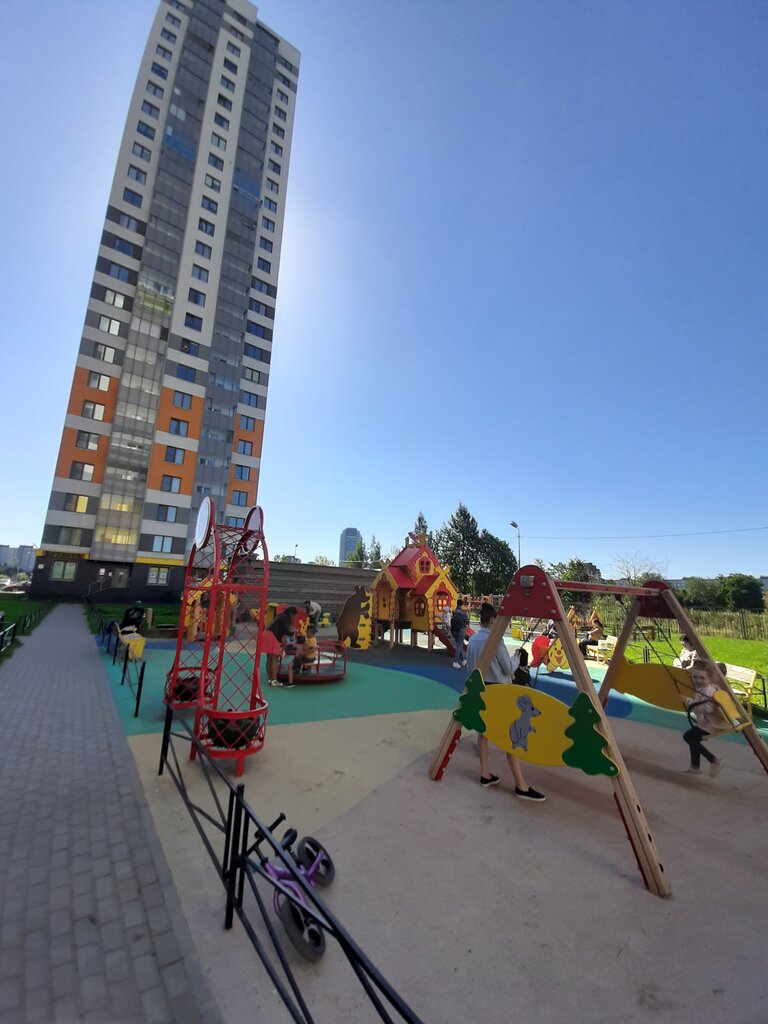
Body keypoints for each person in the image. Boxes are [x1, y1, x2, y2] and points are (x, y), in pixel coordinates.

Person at [465, 603, 546, 802]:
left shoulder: (473, 639)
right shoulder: (495, 640)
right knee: (511, 735)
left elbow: (470, 668)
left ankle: (485, 774)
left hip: (479, 691)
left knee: (483, 733)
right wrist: (516, 658)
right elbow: (508, 669)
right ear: (493, 621)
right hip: (498, 692)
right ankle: (521, 785)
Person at [682, 661, 724, 777]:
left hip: (711, 723)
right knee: (692, 738)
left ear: (710, 678)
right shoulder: (703, 688)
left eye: (702, 678)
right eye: (695, 677)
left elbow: (708, 708)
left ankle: (714, 760)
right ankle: (695, 767)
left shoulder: (709, 691)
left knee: (688, 737)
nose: (698, 680)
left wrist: (689, 702)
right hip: (706, 722)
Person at [263, 606, 297, 688]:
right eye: (294, 616)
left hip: (266, 633)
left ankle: (270, 679)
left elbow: (281, 629)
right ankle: (274, 680)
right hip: (272, 636)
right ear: (291, 614)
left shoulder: (279, 616)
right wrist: (293, 632)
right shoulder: (285, 618)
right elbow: (286, 630)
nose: (293, 618)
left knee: (269, 658)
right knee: (274, 658)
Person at [450, 599, 470, 669]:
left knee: (459, 645)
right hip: (461, 630)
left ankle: (463, 660)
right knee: (459, 645)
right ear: (462, 605)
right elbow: (467, 621)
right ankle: (455, 662)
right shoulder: (463, 613)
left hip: (454, 630)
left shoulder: (454, 611)